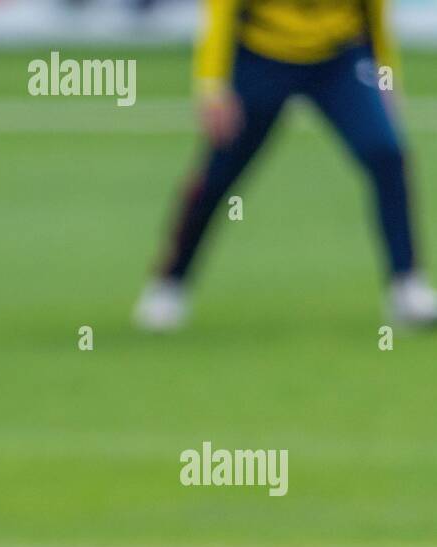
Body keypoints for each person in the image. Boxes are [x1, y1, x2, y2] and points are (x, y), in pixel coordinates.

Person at [135, 0, 437, 329]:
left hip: (339, 60)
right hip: (261, 56)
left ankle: (407, 284)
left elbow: (375, 12)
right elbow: (221, 9)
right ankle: (170, 282)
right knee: (219, 174)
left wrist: (387, 78)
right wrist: (212, 84)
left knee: (386, 154)